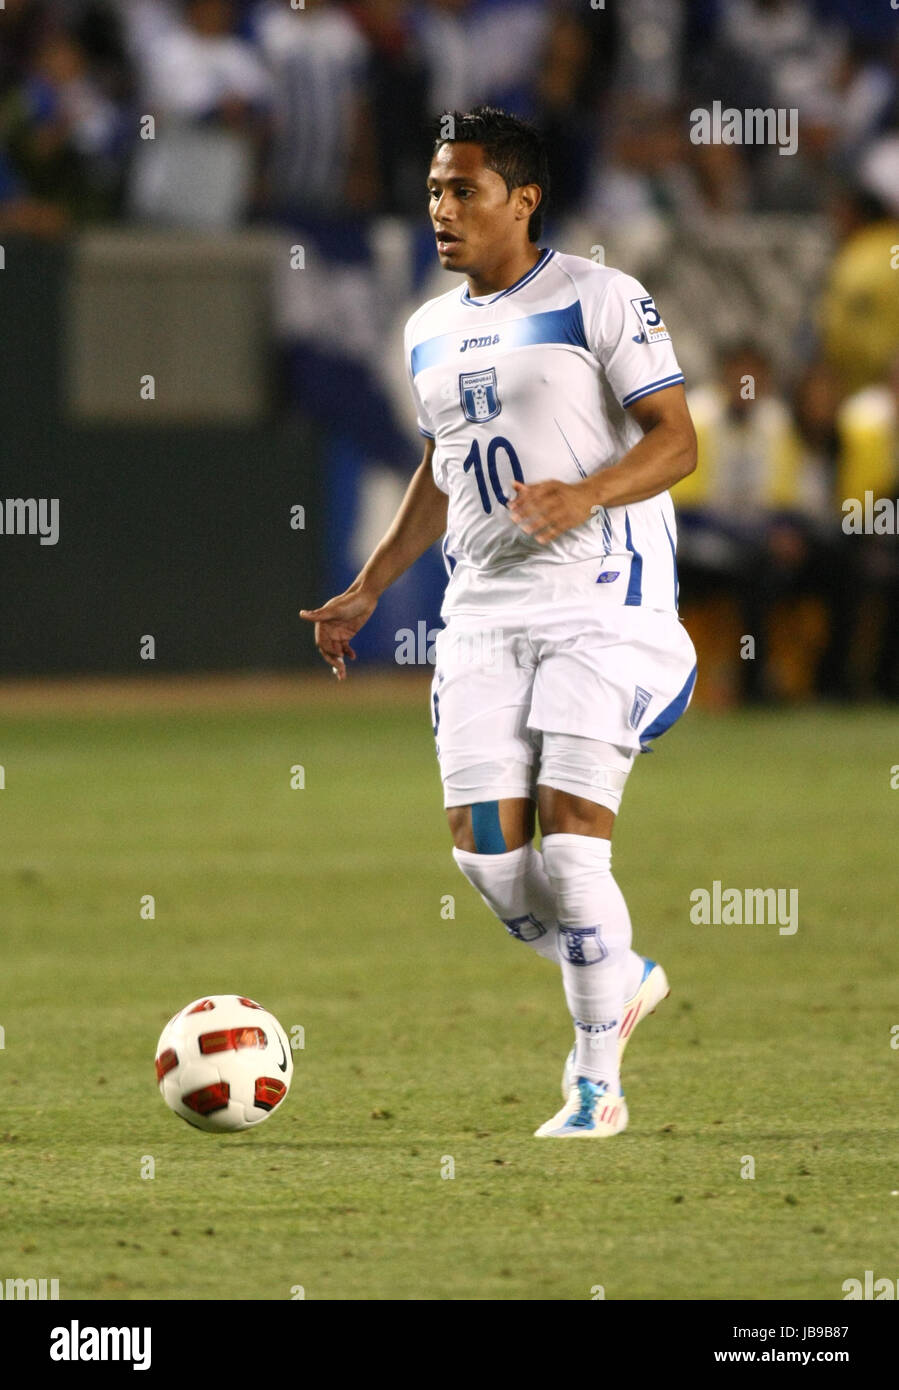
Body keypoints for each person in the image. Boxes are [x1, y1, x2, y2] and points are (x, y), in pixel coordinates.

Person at [301, 107, 698, 1139]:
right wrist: (370, 582)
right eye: (433, 188)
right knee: (491, 867)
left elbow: (676, 441)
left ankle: (592, 1083)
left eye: (461, 189)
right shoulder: (427, 327)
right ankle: (619, 970)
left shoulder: (597, 298)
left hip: (598, 605)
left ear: (520, 199)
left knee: (571, 858)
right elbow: (441, 468)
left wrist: (589, 492)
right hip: (479, 616)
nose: (440, 208)